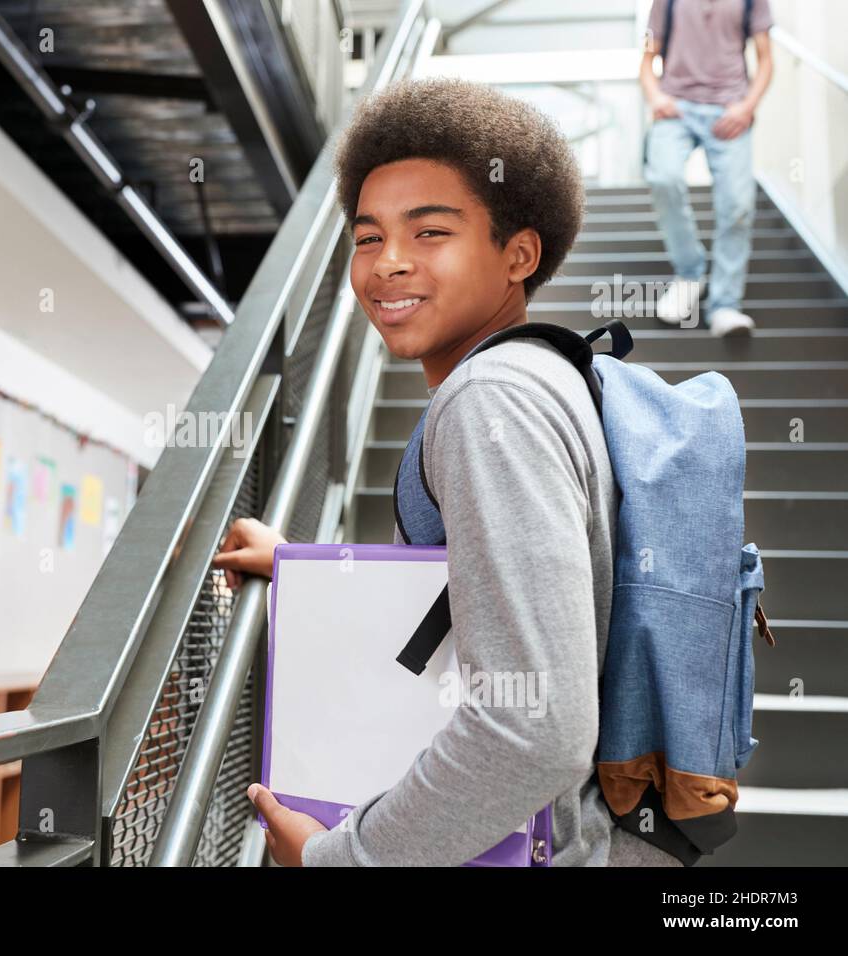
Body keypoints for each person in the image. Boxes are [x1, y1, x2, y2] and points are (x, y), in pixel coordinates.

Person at [215, 77, 680, 866]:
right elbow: (480, 592)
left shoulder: (488, 400)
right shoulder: (551, 375)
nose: (387, 263)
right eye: (367, 238)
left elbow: (535, 731)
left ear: (517, 254)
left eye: (430, 233)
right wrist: (300, 564)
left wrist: (342, 859)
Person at [641, 0, 774, 335]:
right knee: (663, 177)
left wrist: (747, 107)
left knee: (738, 205)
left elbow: (767, 60)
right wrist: (656, 98)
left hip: (730, 110)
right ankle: (689, 273)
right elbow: (647, 59)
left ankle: (725, 305)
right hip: (676, 108)